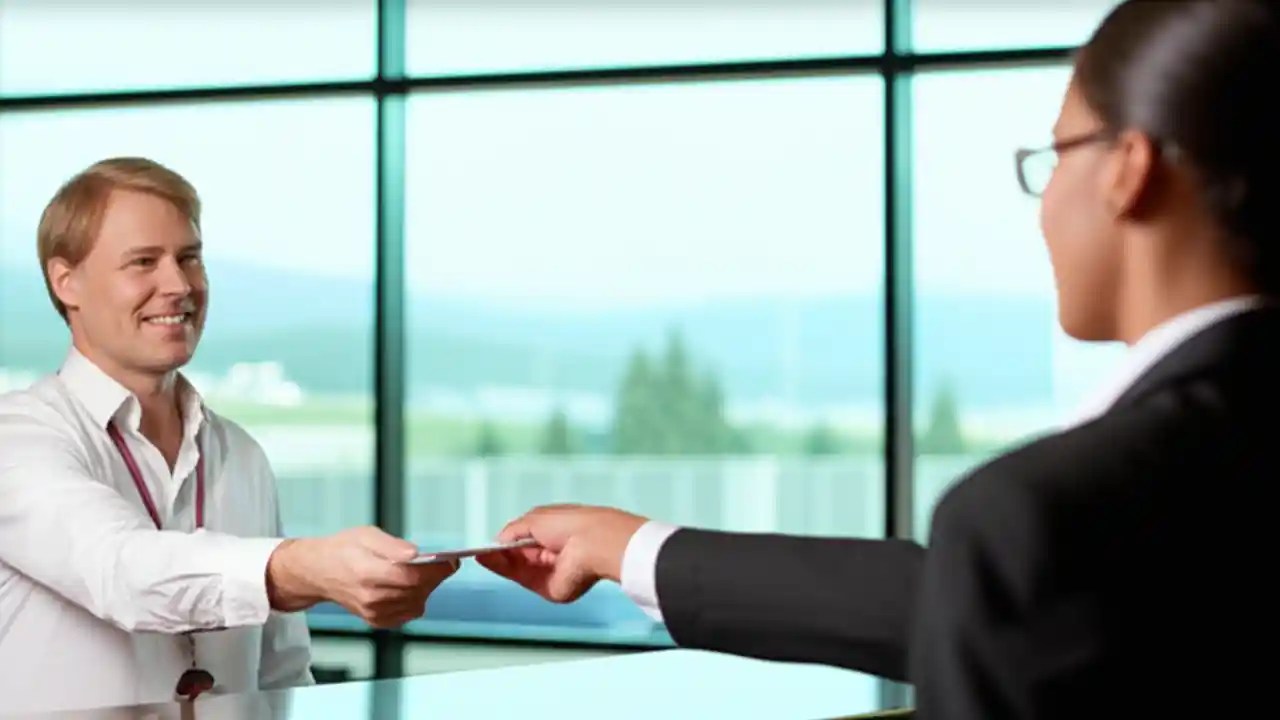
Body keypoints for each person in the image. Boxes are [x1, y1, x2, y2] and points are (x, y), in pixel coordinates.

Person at [480, 1, 1278, 717]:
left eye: (1059, 152)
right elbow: (996, 599)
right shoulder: (1099, 520)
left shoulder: (1044, 511)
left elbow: (1025, 580)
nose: (1045, 202)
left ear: (1129, 171)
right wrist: (631, 548)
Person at [0, 157, 457, 715]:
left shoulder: (239, 453)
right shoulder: (19, 437)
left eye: (189, 258)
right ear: (65, 281)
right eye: (144, 262)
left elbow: (282, 670)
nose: (178, 284)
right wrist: (299, 567)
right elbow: (122, 569)